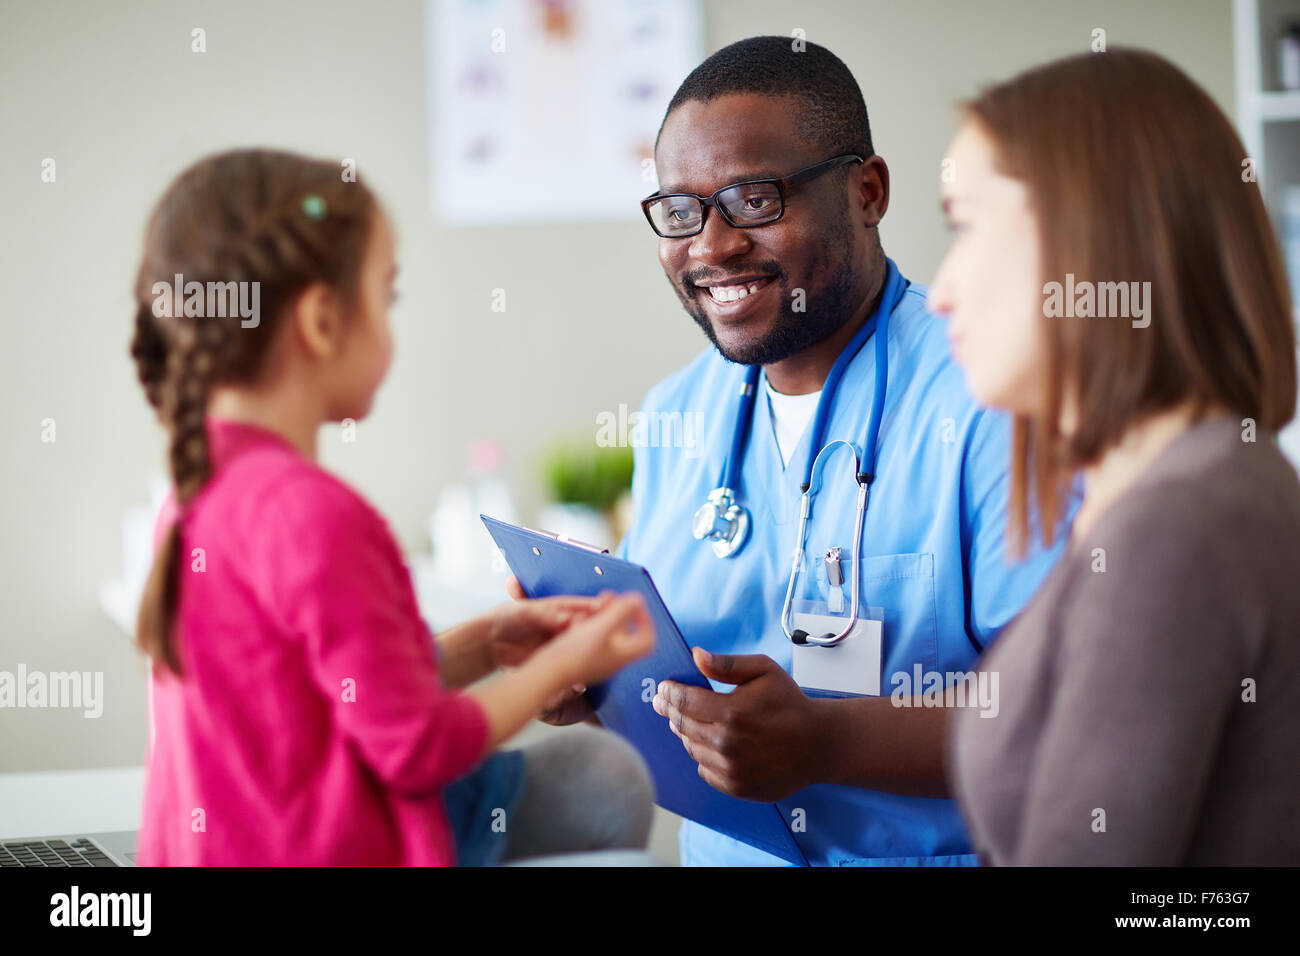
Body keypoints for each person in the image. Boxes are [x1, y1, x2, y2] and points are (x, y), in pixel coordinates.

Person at [536, 36, 1068, 866]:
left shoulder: (992, 397)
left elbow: (1066, 717)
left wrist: (828, 741)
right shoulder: (677, 413)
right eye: (680, 210)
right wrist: (590, 678)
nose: (711, 247)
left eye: (753, 198)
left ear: (867, 190)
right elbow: (681, 678)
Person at [128, 149, 656, 866]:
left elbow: (330, 698)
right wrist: (565, 661)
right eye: (388, 294)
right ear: (320, 320)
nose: (391, 321)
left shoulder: (196, 493)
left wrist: (481, 646)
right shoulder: (313, 514)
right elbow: (418, 748)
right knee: (610, 777)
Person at [933, 49, 1300, 865]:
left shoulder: (1179, 530)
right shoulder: (1199, 488)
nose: (941, 288)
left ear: (1089, 234)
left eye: (965, 225)